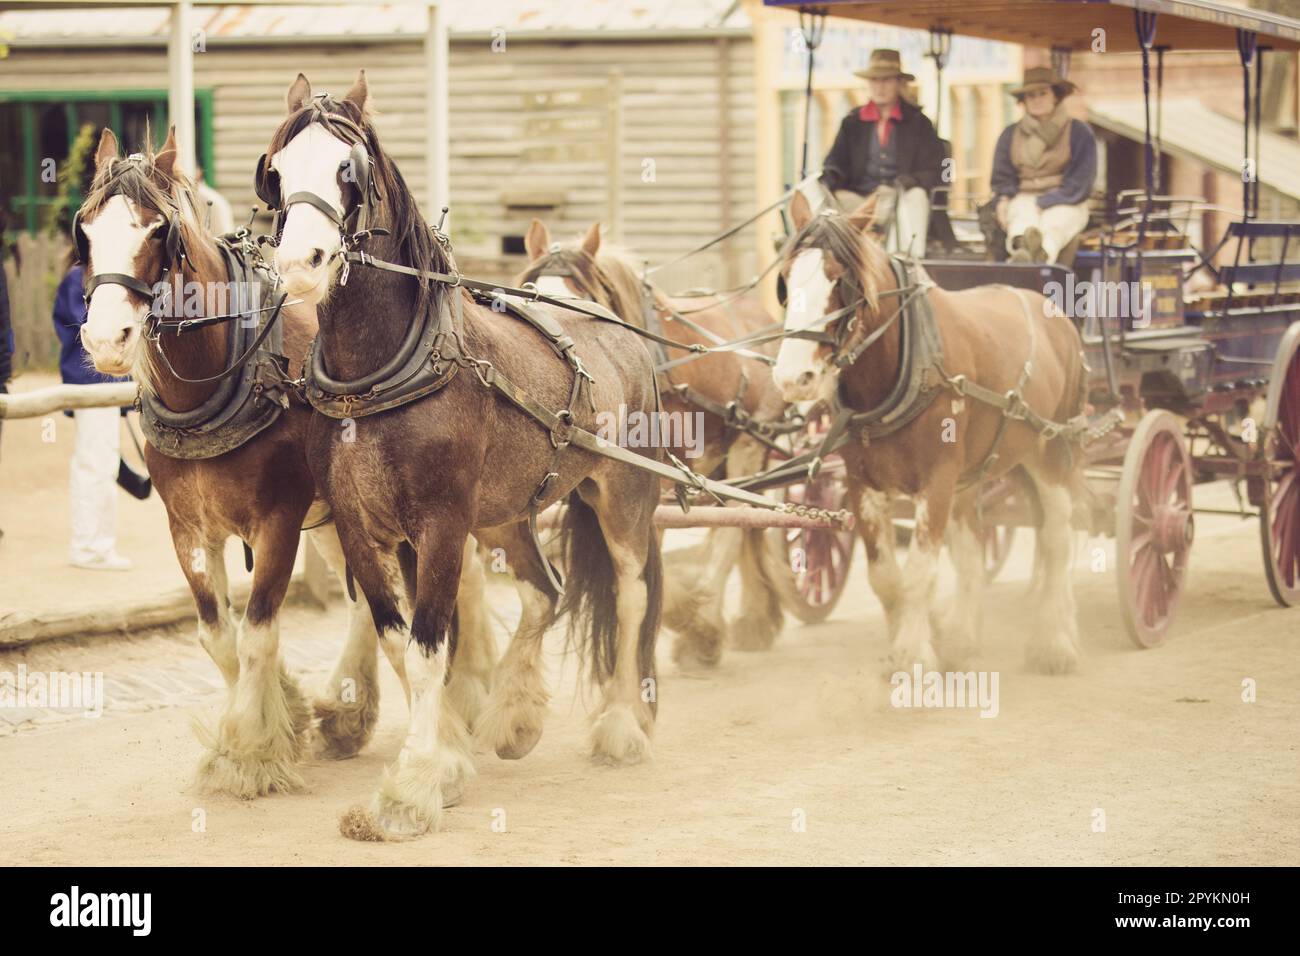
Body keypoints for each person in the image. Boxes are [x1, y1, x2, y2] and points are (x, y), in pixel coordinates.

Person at [819, 48, 946, 256]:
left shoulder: (919, 123)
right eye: (874, 81)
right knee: (824, 198)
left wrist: (909, 181)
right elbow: (835, 161)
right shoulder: (853, 122)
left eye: (886, 80)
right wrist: (831, 176)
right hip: (860, 198)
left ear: (898, 83)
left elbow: (940, 169)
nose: (879, 87)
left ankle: (906, 260)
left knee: (916, 197)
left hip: (899, 196)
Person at [53, 259, 132, 571]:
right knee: (94, 463)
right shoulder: (83, 279)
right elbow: (93, 331)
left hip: (99, 382)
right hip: (93, 381)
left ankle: (96, 543)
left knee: (103, 462)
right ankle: (89, 547)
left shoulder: (88, 278)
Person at [991, 66, 1098, 264]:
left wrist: (1044, 202)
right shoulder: (1010, 134)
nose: (1037, 100)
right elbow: (1002, 176)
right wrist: (1003, 199)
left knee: (1055, 224)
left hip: (1067, 200)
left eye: (1043, 93)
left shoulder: (1079, 132)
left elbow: (1081, 182)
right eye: (1031, 96)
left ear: (1055, 96)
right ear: (1024, 101)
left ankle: (1041, 257)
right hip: (1024, 197)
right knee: (1021, 219)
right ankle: (1022, 249)